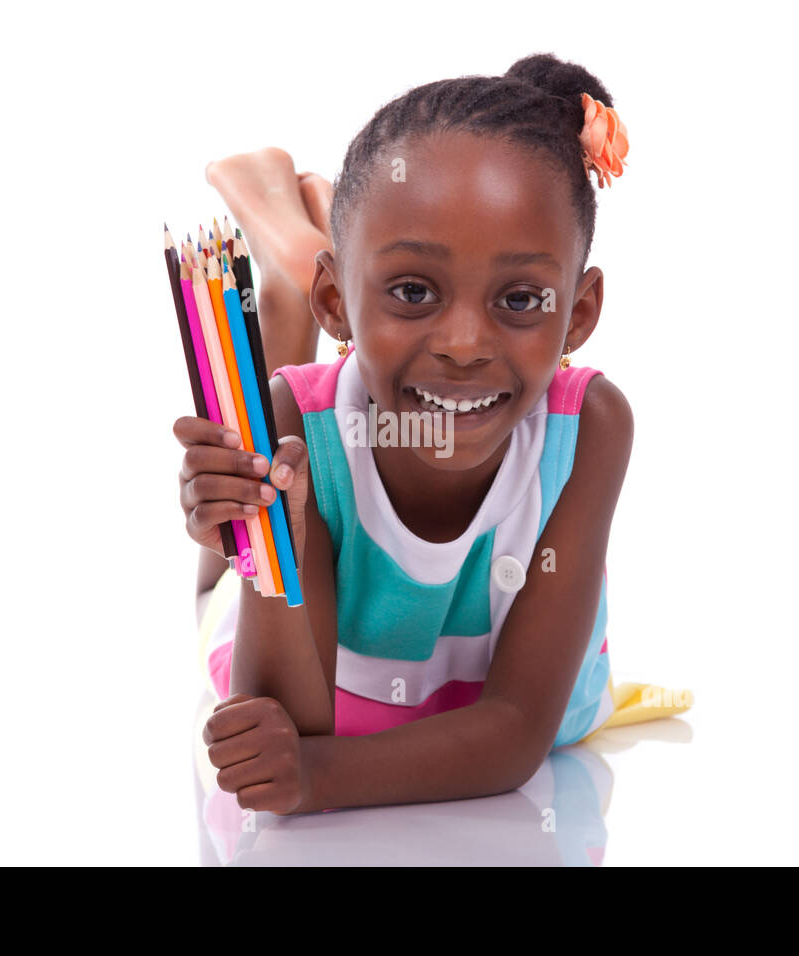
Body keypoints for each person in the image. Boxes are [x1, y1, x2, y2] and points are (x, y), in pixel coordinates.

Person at [175, 53, 692, 816]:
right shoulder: (300, 426)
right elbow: (291, 724)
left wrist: (320, 780)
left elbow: (515, 730)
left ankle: (292, 261)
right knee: (217, 572)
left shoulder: (592, 429)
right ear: (338, 302)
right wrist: (263, 531)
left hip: (464, 714)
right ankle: (292, 278)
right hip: (310, 645)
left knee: (310, 400)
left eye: (520, 298)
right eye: (414, 290)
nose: (462, 343)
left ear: (577, 315)